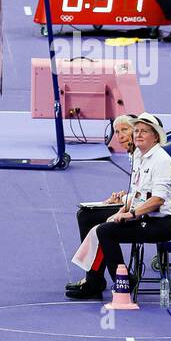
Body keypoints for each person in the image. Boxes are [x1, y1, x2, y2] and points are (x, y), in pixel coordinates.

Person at [84, 113, 171, 300]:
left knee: (106, 231)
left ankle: (124, 283)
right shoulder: (140, 157)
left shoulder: (162, 161)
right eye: (136, 131)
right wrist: (120, 210)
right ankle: (94, 279)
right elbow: (137, 194)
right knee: (90, 217)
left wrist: (131, 214)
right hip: (141, 217)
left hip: (158, 224)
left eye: (144, 131)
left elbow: (158, 200)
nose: (138, 135)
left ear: (156, 136)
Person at [65, 115, 136, 300]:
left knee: (89, 218)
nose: (120, 136)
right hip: (132, 205)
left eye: (124, 130)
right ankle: (94, 278)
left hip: (141, 212)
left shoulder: (144, 155)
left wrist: (124, 203)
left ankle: (95, 280)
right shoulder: (133, 155)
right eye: (117, 132)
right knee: (86, 214)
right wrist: (121, 198)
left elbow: (147, 196)